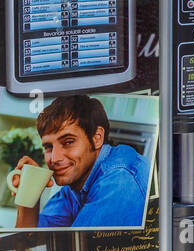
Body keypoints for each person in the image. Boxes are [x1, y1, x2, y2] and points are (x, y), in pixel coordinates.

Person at [8, 94, 148, 229]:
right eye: (48, 147)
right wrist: (28, 194)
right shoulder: (73, 188)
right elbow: (31, 242)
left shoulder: (119, 181)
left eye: (68, 142)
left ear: (97, 138)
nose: (55, 158)